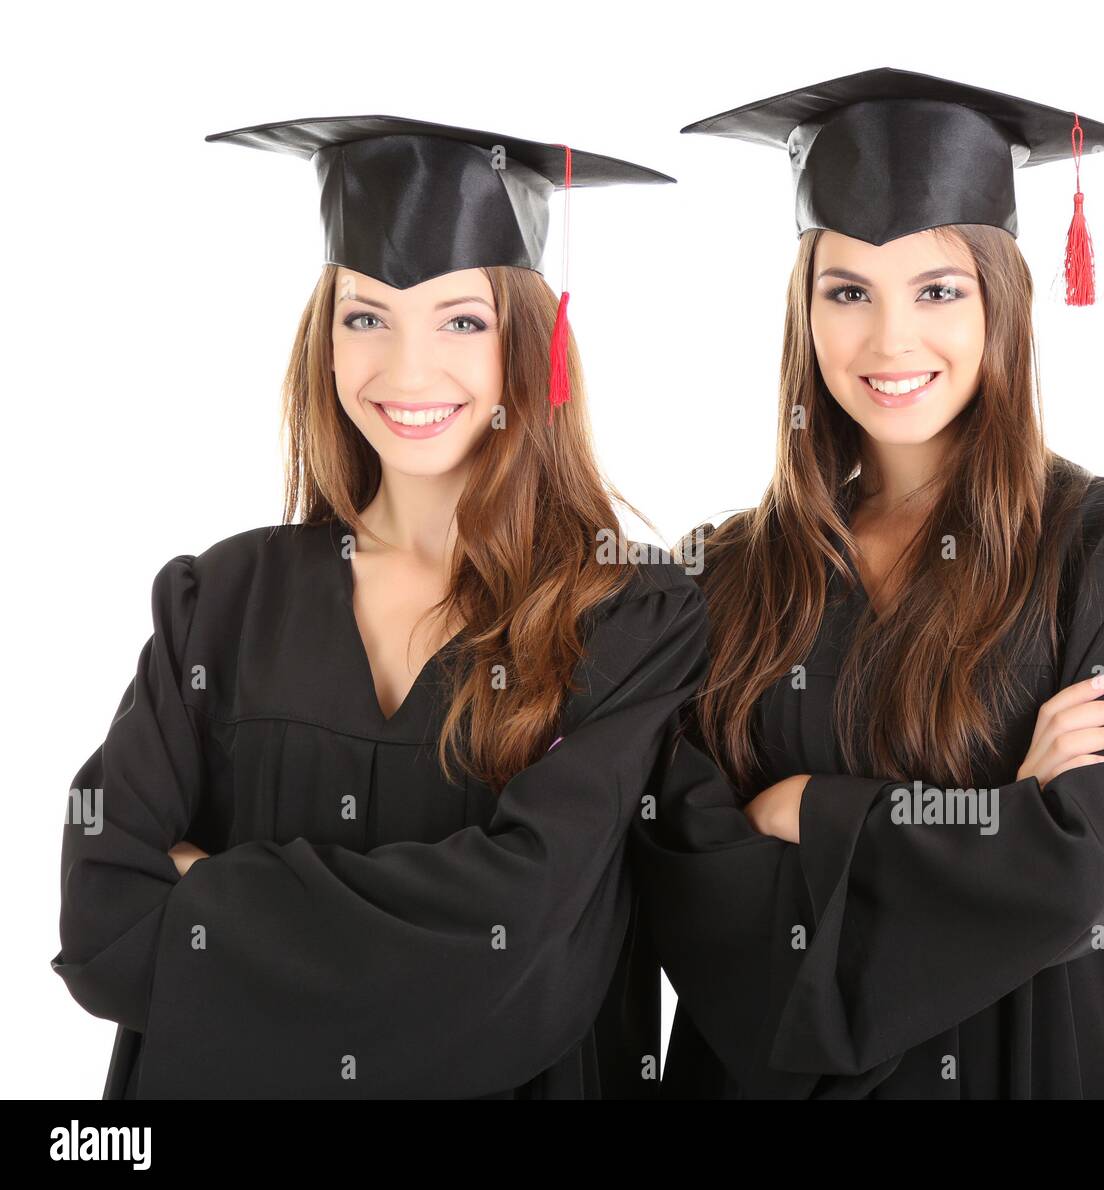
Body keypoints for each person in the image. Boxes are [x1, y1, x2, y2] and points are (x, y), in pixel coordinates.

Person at [51, 115, 706, 1099]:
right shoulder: (219, 601)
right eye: (365, 316)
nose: (405, 370)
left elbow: (517, 935)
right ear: (324, 338)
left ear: (531, 343)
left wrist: (206, 894)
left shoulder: (628, 618)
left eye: (460, 319)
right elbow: (103, 917)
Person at [632, 68, 1104, 1099]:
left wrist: (812, 805)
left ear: (1004, 299)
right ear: (803, 314)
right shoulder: (717, 583)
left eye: (937, 290)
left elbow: (1072, 878)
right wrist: (1001, 813)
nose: (889, 341)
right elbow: (692, 883)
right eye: (846, 291)